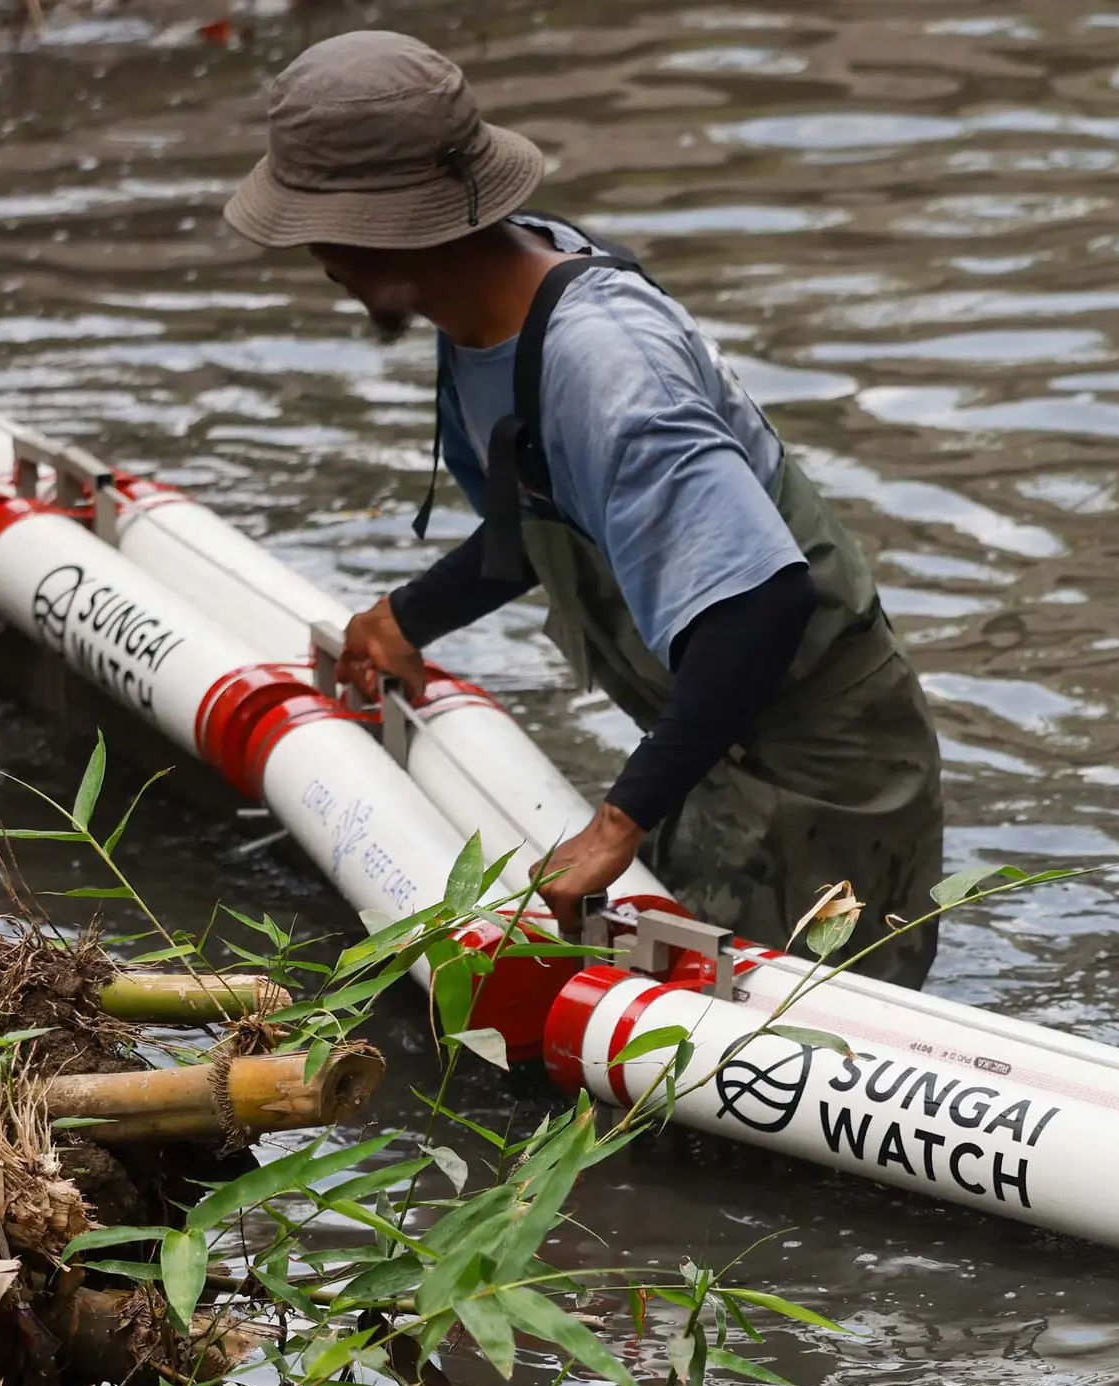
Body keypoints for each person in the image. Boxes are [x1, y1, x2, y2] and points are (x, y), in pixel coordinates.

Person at [221, 31, 945, 984]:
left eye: (323, 232)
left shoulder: (606, 364)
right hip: (717, 735)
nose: (319, 259)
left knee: (779, 1028)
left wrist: (616, 824)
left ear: (392, 229)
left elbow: (762, 603)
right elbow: (544, 518)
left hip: (810, 770)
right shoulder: (488, 308)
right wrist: (406, 618)